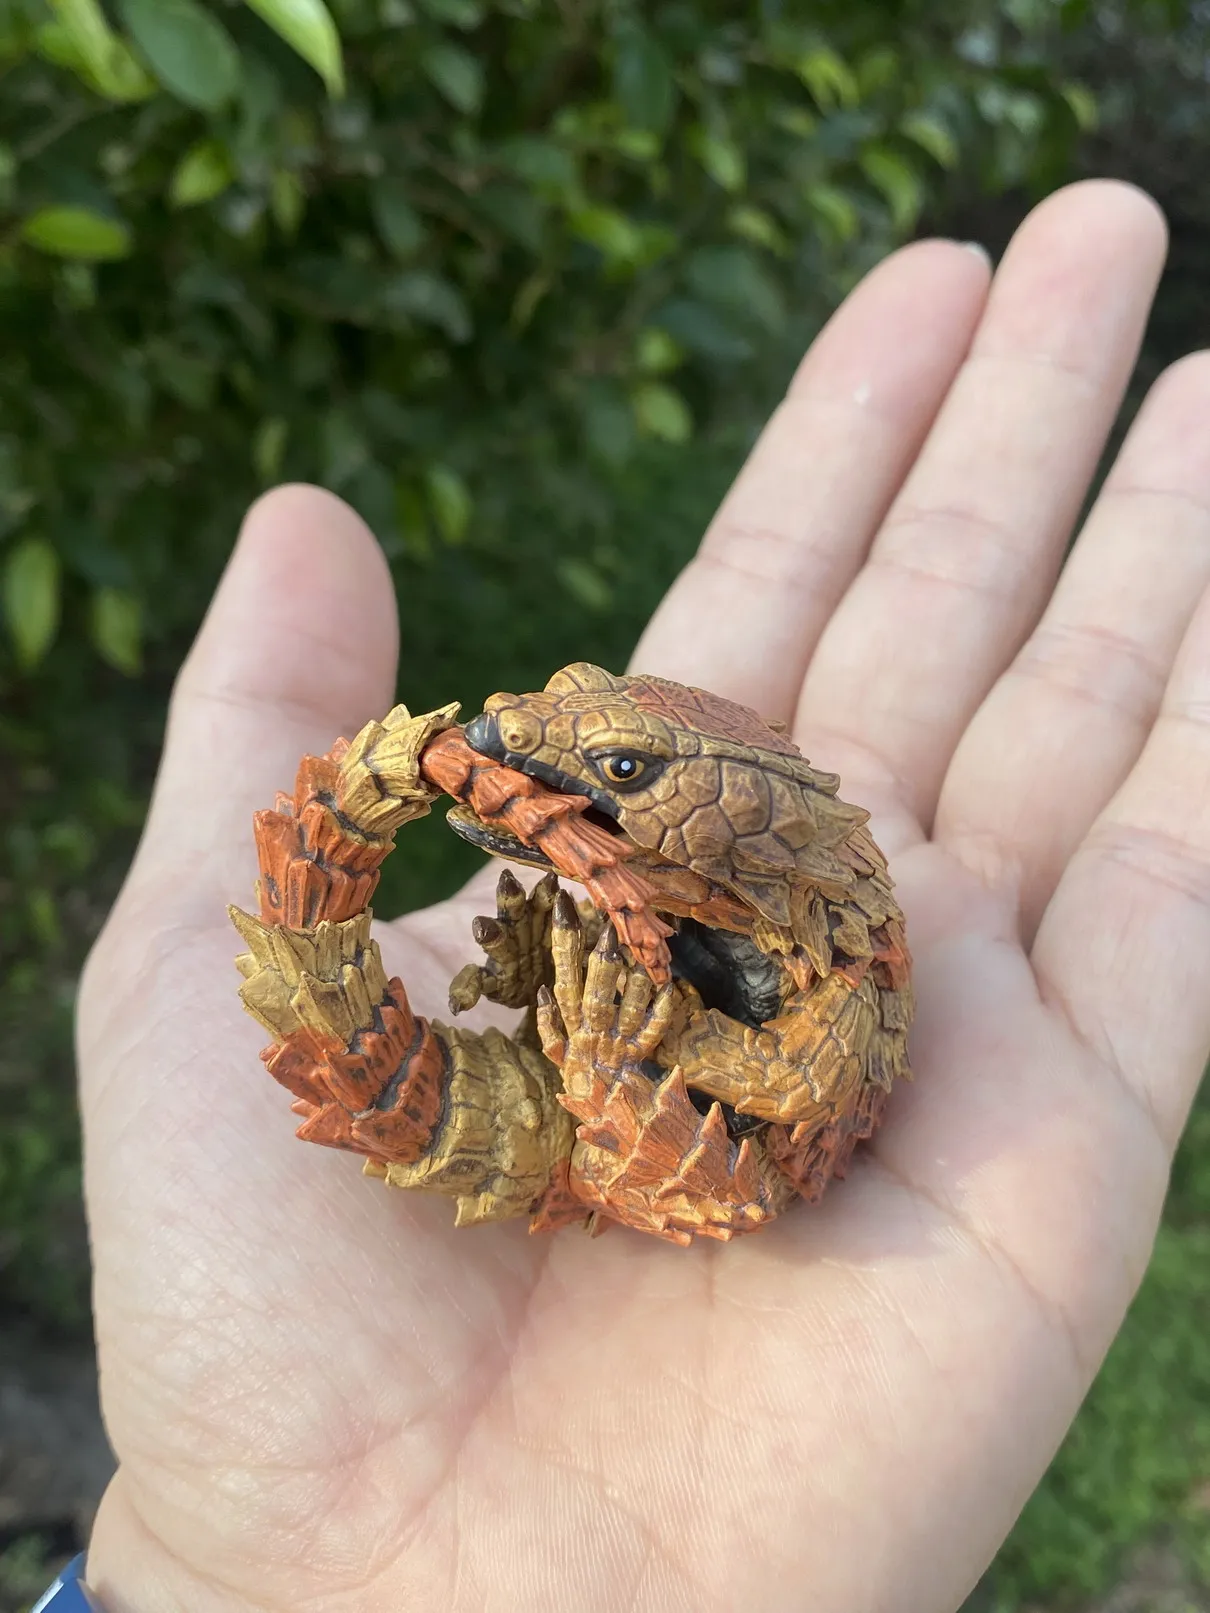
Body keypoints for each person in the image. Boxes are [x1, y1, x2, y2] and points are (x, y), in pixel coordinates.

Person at [71, 179, 1210, 1613]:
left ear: (737, 812)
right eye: (567, 720)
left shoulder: (829, 950)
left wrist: (638, 1052)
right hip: (558, 1123)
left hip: (683, 1139)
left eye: (611, 762)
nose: (519, 741)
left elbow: (795, 1092)